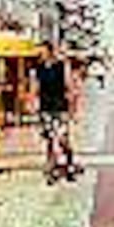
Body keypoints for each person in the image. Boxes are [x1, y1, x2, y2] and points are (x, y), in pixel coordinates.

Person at [31, 42, 80, 184]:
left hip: (60, 108)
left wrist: (73, 110)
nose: (40, 54)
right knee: (50, 140)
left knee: (63, 139)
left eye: (42, 51)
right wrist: (33, 103)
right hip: (46, 108)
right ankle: (52, 169)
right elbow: (35, 88)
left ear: (49, 52)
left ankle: (69, 162)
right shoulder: (38, 69)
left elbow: (69, 87)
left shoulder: (62, 66)